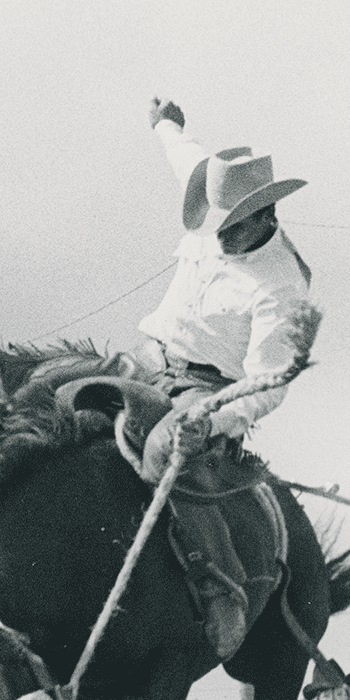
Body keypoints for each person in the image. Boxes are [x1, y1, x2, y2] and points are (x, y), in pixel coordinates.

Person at [134, 97, 316, 659]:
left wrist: (213, 423)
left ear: (265, 216)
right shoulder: (214, 188)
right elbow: (182, 156)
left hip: (207, 388)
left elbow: (270, 382)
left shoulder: (280, 288)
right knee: (67, 397)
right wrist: (167, 122)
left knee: (166, 450)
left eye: (230, 228)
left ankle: (222, 588)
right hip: (147, 356)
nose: (218, 237)